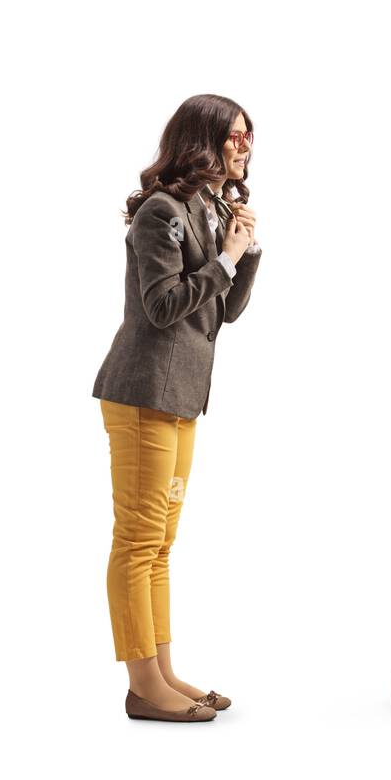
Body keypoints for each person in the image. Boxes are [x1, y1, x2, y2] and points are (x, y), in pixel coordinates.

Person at [91, 94, 262, 723]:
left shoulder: (202, 211)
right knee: (138, 541)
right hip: (144, 393)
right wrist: (226, 257)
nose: (246, 146)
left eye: (249, 137)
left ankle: (162, 672)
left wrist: (243, 251)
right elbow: (164, 306)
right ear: (204, 140)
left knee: (159, 544)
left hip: (181, 396)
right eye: (235, 136)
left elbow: (225, 311)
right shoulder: (160, 212)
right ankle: (142, 687)